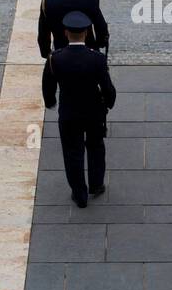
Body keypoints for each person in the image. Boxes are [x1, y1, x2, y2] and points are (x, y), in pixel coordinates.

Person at [42, 11, 116, 209]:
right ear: (85, 33)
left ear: (66, 33)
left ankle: (79, 193)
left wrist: (50, 101)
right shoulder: (97, 59)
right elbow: (107, 87)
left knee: (72, 153)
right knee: (95, 147)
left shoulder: (55, 59)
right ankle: (96, 184)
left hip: (69, 113)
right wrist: (109, 102)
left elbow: (48, 86)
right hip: (94, 112)